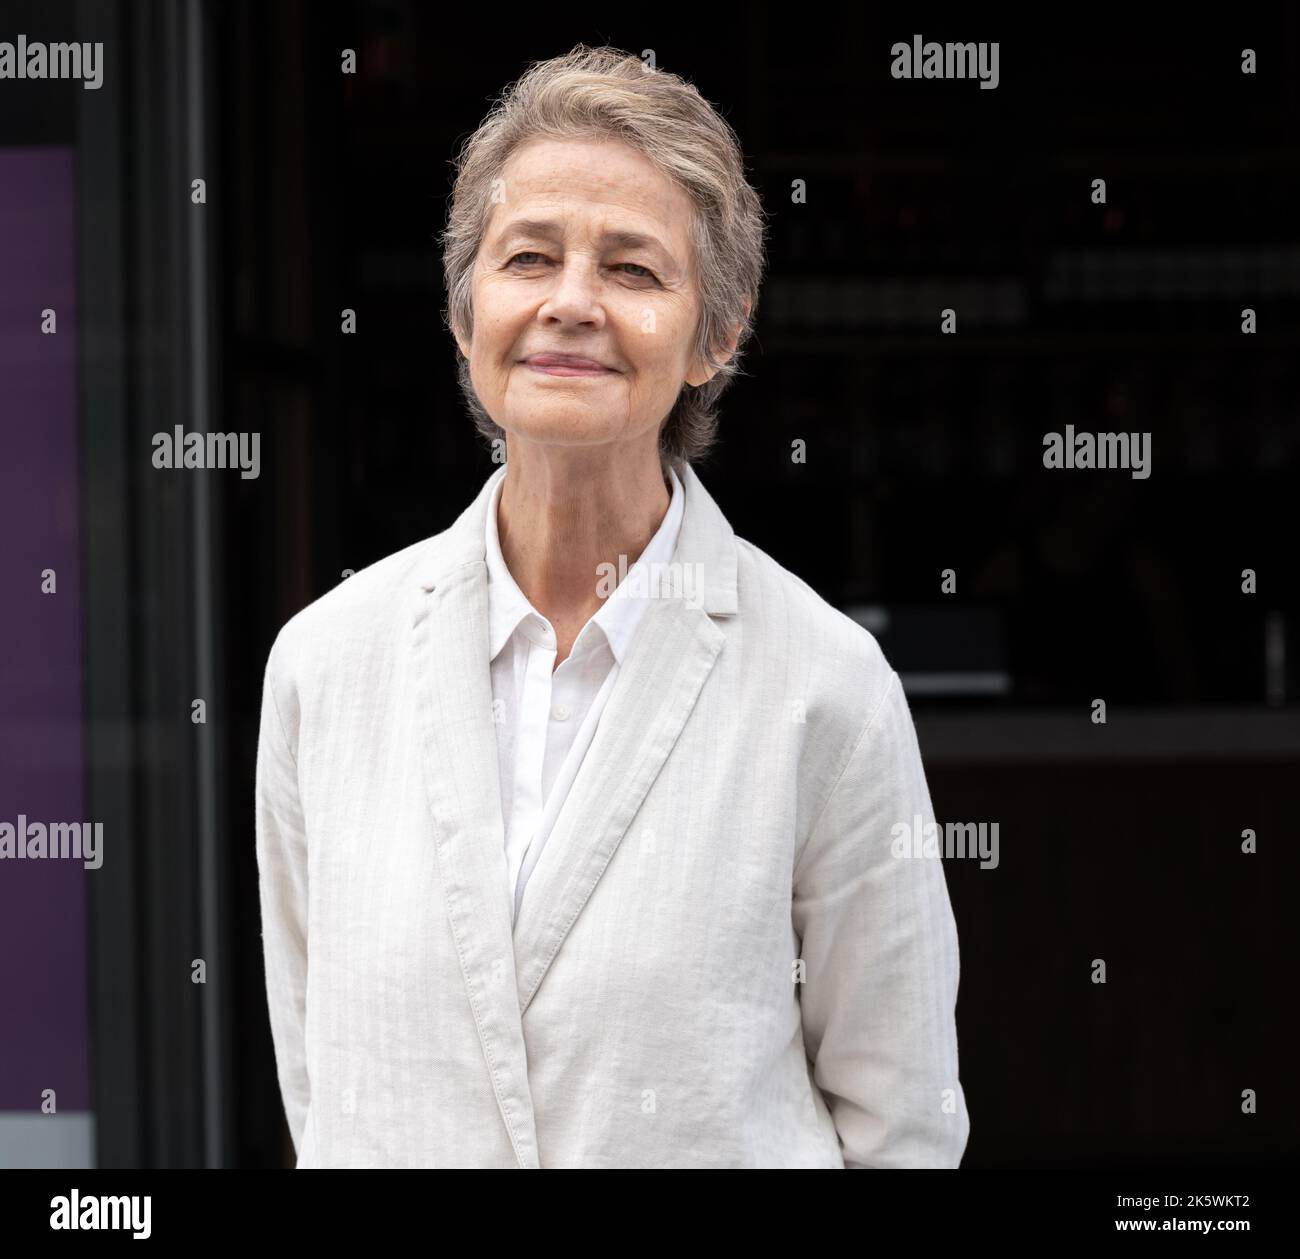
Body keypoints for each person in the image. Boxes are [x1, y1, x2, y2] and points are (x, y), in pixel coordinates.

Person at [255, 43, 969, 1168]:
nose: (571, 304)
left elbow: (905, 1126)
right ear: (463, 313)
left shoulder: (824, 688)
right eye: (527, 256)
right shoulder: (324, 665)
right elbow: (326, 1082)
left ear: (716, 335)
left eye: (633, 270)